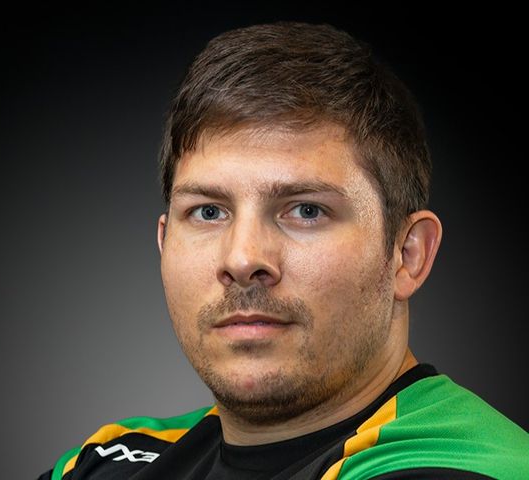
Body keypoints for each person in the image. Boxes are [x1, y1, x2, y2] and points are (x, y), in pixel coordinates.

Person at [39, 21, 529, 480]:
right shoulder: (107, 459)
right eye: (208, 212)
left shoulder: (463, 465)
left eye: (306, 211)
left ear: (407, 254)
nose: (242, 259)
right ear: (164, 243)